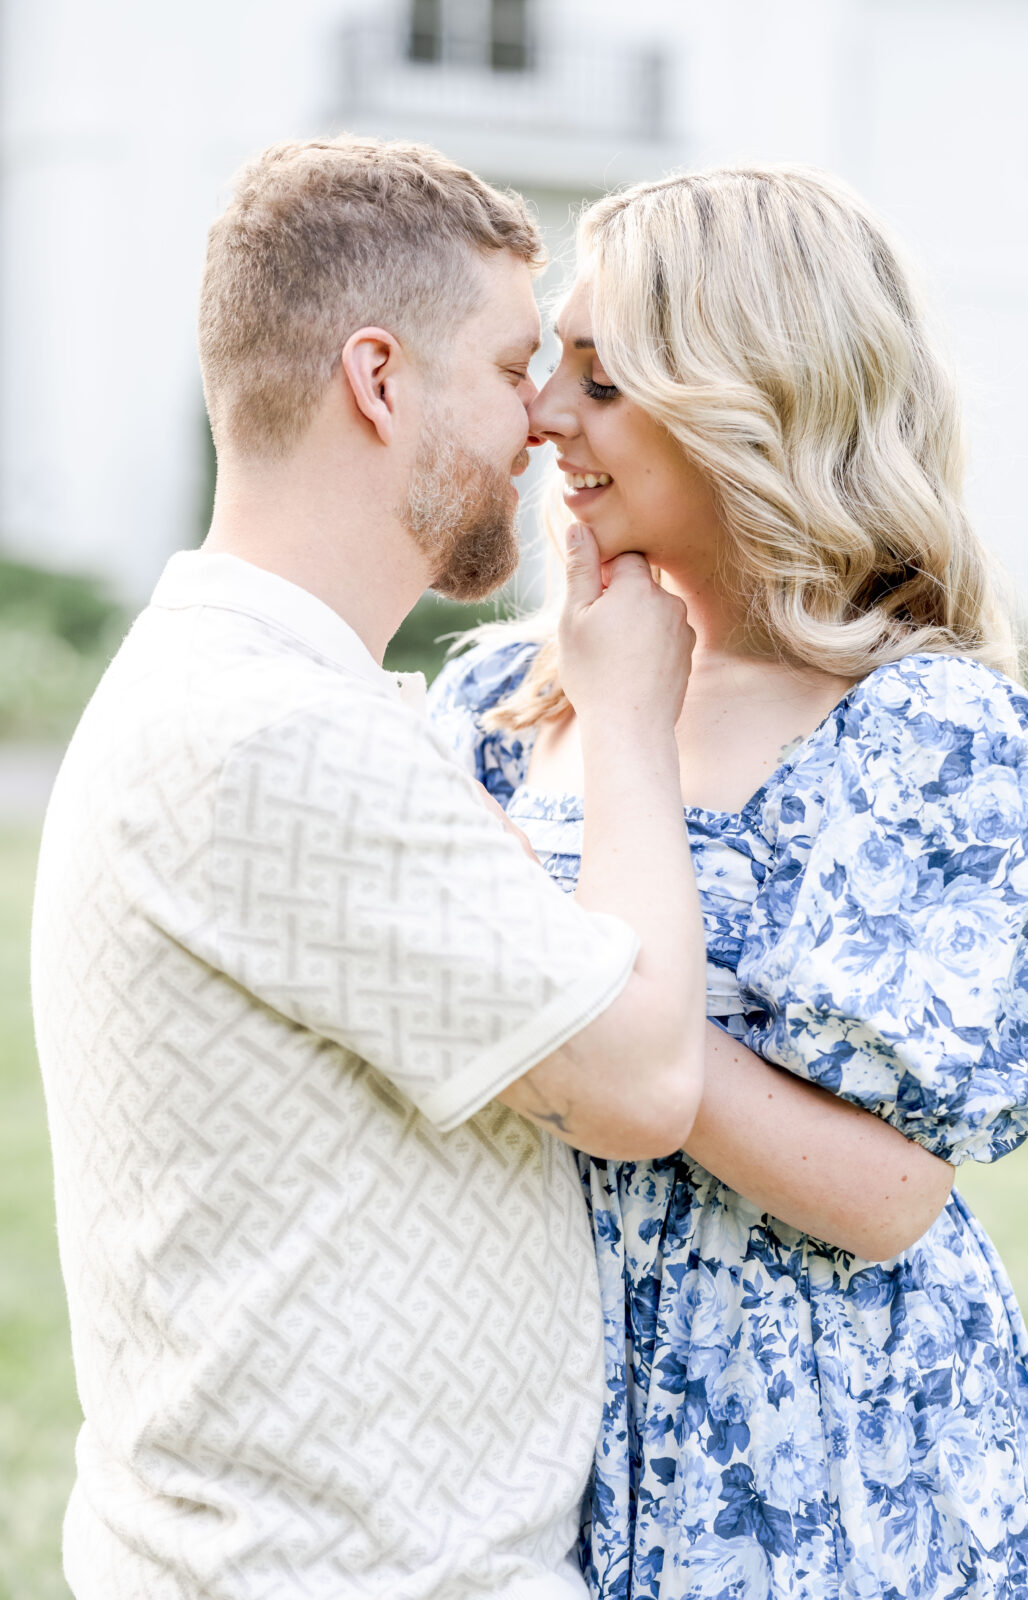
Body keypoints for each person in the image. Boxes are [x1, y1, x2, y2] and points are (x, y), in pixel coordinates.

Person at [29, 136, 714, 1600]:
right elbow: (648, 1079)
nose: (542, 417)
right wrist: (631, 720)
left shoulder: (264, 689)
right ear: (382, 380)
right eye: (515, 361)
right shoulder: (269, 730)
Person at [429, 166, 1028, 1599]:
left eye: (599, 383)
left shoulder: (934, 739)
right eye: (552, 371)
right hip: (519, 1443)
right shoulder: (492, 704)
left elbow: (891, 1194)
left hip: (819, 1473)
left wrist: (596, 1024)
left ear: (745, 404)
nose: (543, 418)